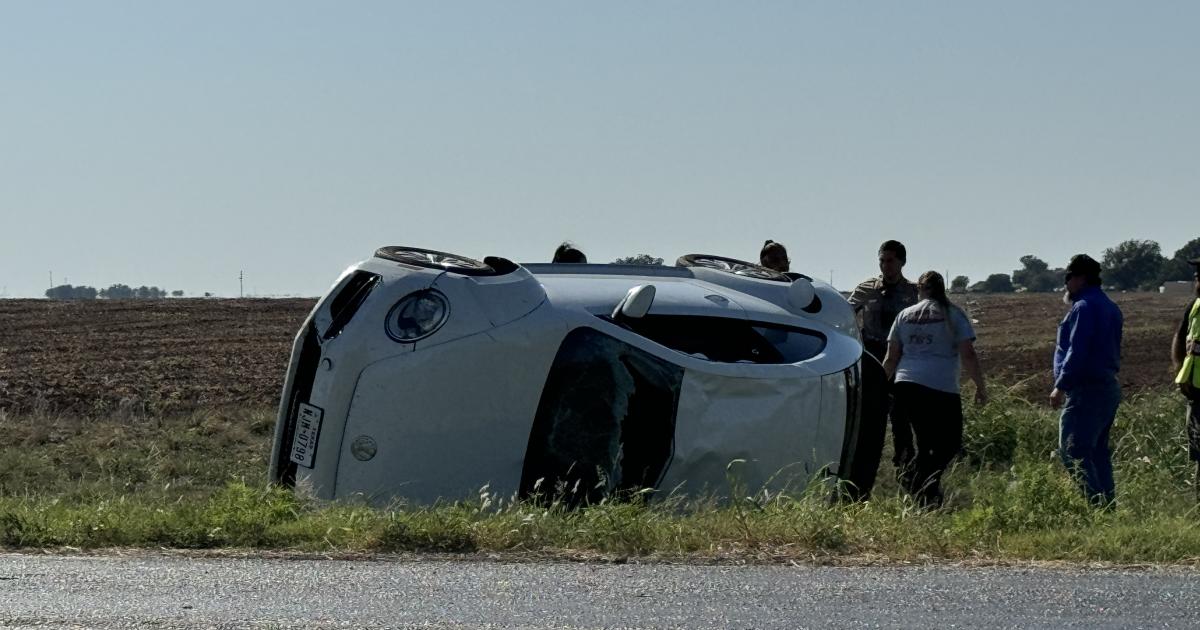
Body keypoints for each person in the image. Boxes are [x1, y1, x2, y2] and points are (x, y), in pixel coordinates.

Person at [881, 271, 986, 507]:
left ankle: (926, 493)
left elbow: (891, 358)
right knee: (950, 444)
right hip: (940, 387)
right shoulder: (954, 314)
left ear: (920, 290)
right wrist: (980, 387)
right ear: (942, 289)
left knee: (927, 444)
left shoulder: (904, 316)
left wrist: (877, 387)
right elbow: (968, 354)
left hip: (906, 386)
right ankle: (919, 483)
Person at [1051, 254, 1123, 507]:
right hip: (1107, 387)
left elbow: (1077, 350)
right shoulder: (1110, 306)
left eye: (1068, 277)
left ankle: (1097, 507)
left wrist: (1061, 385)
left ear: (1080, 278)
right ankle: (1108, 507)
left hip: (1086, 389)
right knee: (1098, 453)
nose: (1065, 284)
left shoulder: (1083, 307)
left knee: (1073, 452)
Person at [849, 240, 920, 473]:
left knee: (901, 412)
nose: (885, 266)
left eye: (890, 261)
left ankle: (905, 462)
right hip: (872, 355)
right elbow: (846, 313)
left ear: (902, 262)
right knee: (869, 412)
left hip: (901, 357)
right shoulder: (866, 288)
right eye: (882, 261)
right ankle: (863, 464)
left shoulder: (913, 292)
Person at [1171, 258, 1200, 500]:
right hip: (1197, 394)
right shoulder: (1195, 306)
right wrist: (1181, 371)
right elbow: (1180, 338)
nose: (1197, 277)